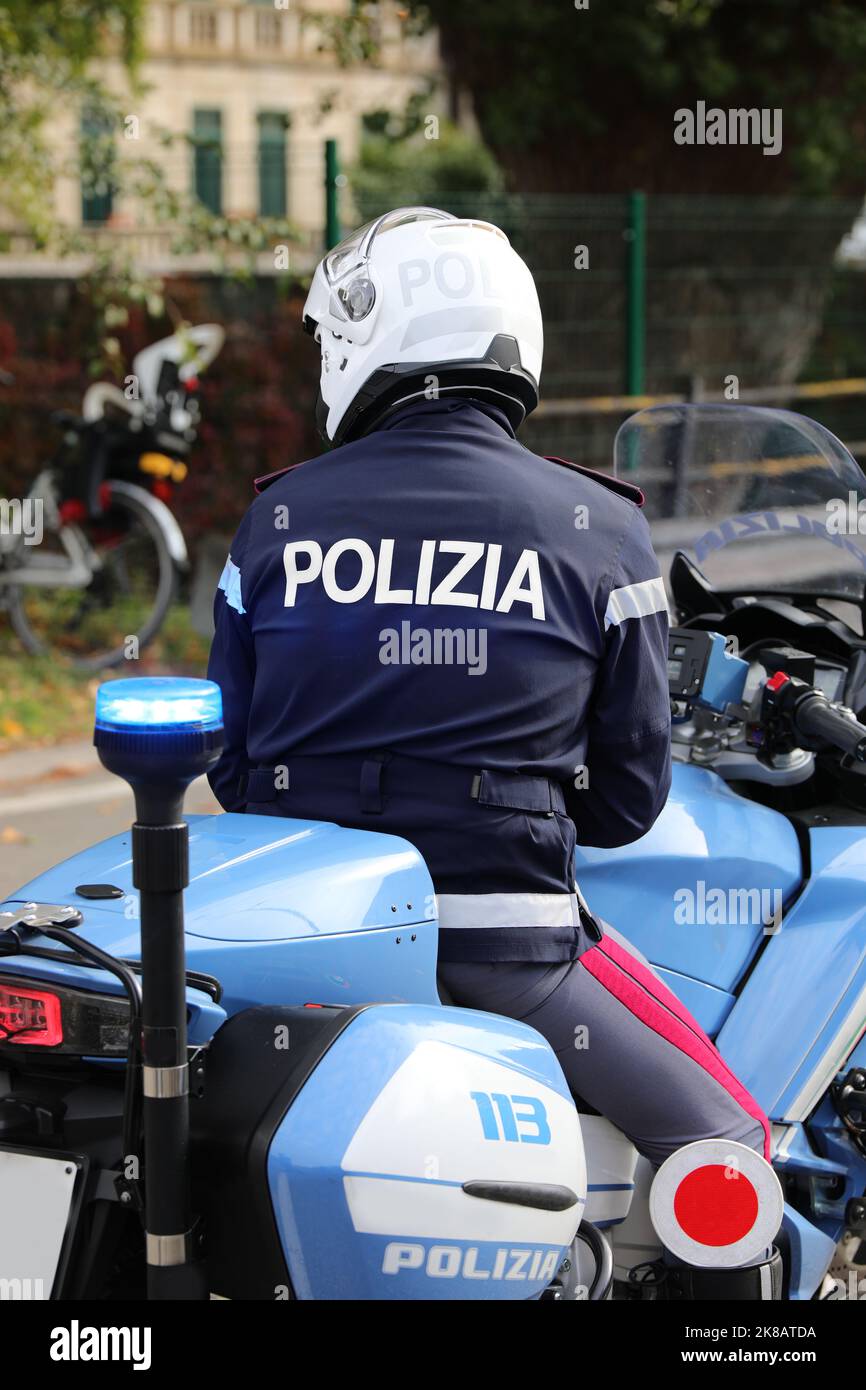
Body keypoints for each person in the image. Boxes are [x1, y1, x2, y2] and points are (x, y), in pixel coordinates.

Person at [207, 207, 779, 1298]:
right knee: (730, 1151)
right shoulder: (596, 525)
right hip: (505, 962)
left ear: (380, 345)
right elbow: (622, 804)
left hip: (298, 951)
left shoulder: (276, 521)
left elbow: (232, 768)